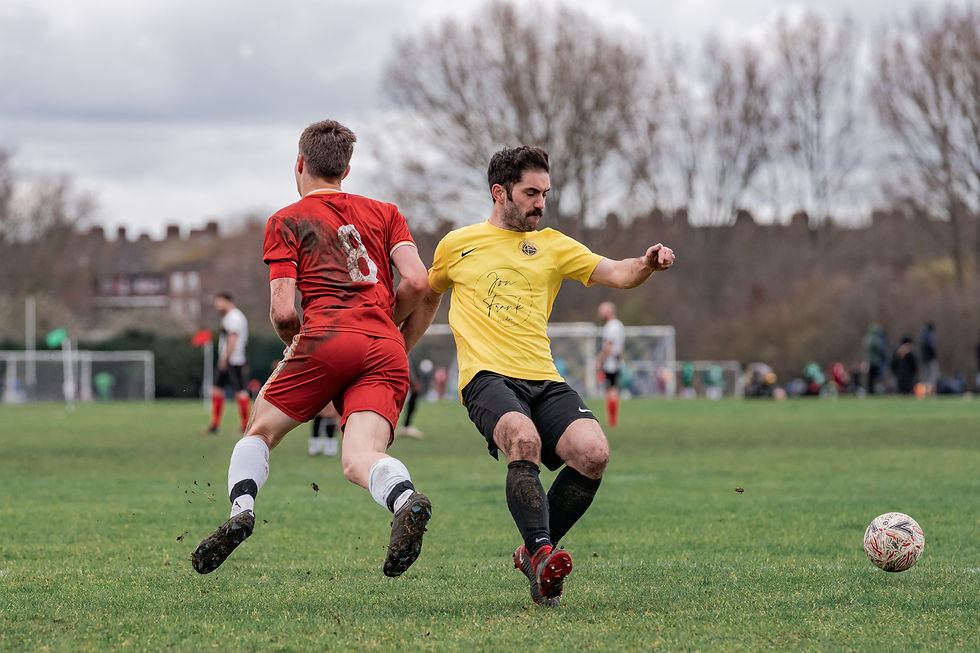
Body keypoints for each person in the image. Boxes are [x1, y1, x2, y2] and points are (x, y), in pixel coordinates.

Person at [401, 145, 675, 606]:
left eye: (545, 193)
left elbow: (619, 273)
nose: (540, 203)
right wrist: (396, 344)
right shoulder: (457, 244)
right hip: (487, 378)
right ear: (499, 192)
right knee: (522, 440)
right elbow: (428, 296)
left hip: (543, 378)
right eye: (531, 193)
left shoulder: (553, 245)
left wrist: (647, 263)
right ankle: (545, 552)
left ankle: (534, 554)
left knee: (593, 453)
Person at [192, 119, 432, 578]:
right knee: (361, 456)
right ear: (347, 167)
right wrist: (385, 317)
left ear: (300, 163)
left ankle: (241, 511)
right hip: (384, 345)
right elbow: (418, 281)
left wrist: (298, 347)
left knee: (259, 432)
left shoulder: (286, 219)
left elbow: (284, 312)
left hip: (325, 336)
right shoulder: (386, 212)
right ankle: (405, 498)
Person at [205, 293, 250, 434]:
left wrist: (225, 358)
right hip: (230, 359)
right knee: (216, 389)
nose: (217, 305)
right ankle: (215, 425)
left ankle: (246, 426)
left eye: (219, 302)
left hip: (233, 360)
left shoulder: (234, 317)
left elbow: (233, 338)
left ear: (228, 301)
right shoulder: (229, 317)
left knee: (241, 392)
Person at [595, 301, 626, 426]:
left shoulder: (611, 327)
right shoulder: (619, 325)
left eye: (601, 311)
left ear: (608, 312)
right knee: (613, 389)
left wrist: (599, 361)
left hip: (610, 364)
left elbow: (608, 346)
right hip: (616, 362)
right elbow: (621, 346)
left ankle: (612, 420)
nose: (600, 313)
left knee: (611, 391)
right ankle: (612, 419)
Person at [395, 357, 424, 439]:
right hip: (400, 354)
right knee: (415, 388)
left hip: (404, 354)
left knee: (415, 389)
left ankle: (406, 425)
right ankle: (405, 426)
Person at [862, 322, 887, 395]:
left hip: (868, 361)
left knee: (870, 378)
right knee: (875, 377)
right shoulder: (876, 339)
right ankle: (873, 391)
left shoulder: (866, 338)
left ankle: (870, 390)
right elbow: (880, 349)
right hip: (875, 361)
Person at [919, 322, 939, 395]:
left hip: (924, 359)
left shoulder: (922, 334)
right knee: (933, 375)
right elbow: (932, 346)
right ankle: (930, 392)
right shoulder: (930, 334)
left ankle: (923, 392)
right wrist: (934, 355)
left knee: (925, 376)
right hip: (930, 359)